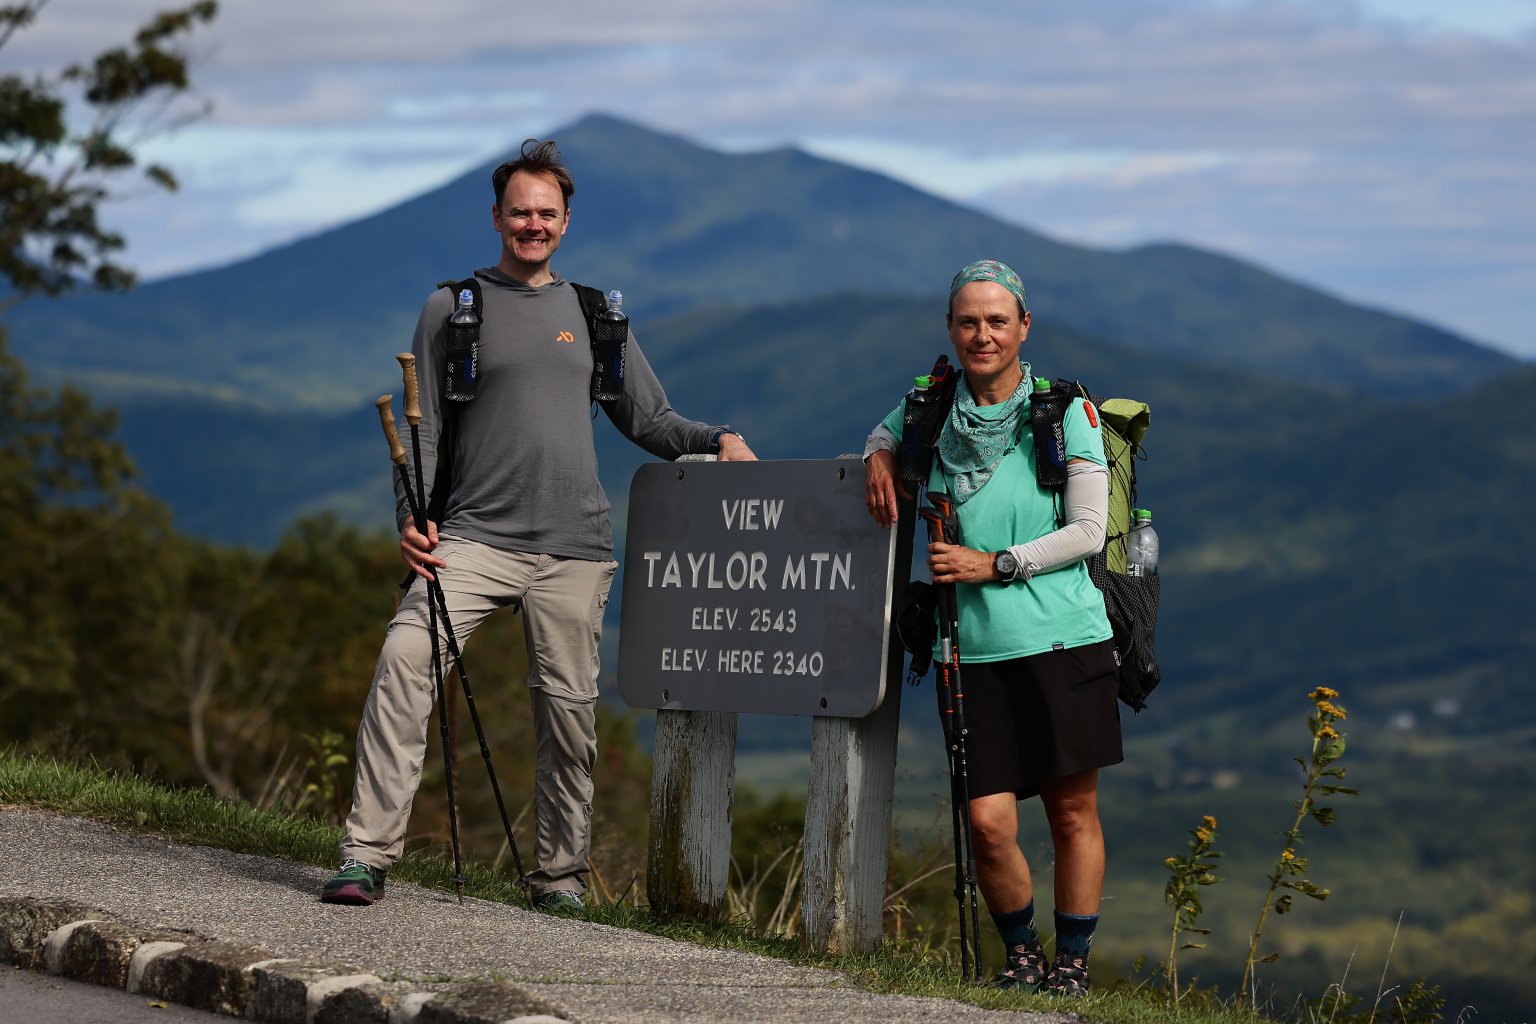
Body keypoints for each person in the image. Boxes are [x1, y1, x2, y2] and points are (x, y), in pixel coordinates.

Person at [322, 138, 756, 912]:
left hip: (575, 547)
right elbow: (420, 433)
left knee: (568, 714)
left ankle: (558, 880)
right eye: (519, 212)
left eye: (546, 213)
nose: (532, 224)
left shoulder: (593, 314)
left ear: (566, 221)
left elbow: (649, 419)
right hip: (472, 538)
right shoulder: (453, 308)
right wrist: (409, 519)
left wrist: (717, 438)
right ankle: (365, 856)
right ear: (496, 217)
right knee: (404, 657)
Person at [862, 259, 1120, 995]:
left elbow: (1088, 531)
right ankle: (1022, 955)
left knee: (1072, 812)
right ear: (951, 327)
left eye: (997, 321)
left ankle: (1071, 964)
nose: (983, 334)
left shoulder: (1065, 411)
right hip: (967, 648)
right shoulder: (927, 409)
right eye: (969, 321)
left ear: (1023, 327)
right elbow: (873, 444)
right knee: (986, 821)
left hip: (1065, 638)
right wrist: (879, 456)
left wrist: (995, 564)